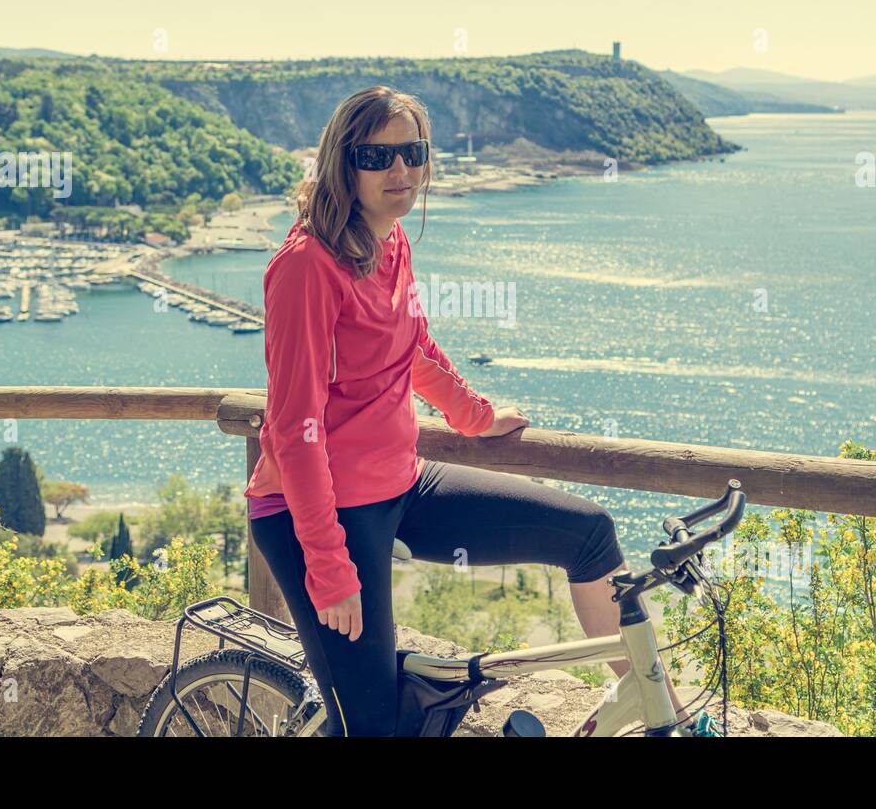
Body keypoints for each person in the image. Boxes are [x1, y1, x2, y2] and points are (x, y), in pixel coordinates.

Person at [244, 85, 722, 737]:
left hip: (400, 484)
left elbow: (415, 349)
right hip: (316, 515)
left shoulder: (391, 242)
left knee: (587, 534)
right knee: (373, 726)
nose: (400, 171)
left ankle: (658, 710)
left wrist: (475, 417)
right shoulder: (306, 267)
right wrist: (328, 567)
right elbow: (293, 428)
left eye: (413, 153)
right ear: (343, 164)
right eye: (377, 157)